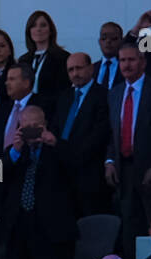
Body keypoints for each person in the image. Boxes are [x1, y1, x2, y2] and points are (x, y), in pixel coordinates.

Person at [105, 41, 151, 252]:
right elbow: (111, 132)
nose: (126, 65)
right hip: (123, 170)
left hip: (149, 169)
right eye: (122, 60)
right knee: (129, 225)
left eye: (131, 59)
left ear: (142, 62)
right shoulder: (115, 93)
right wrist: (110, 161)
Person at [0, 105, 74, 259]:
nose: (32, 133)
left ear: (45, 125)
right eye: (27, 128)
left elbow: (76, 168)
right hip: (18, 226)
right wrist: (15, 152)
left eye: (36, 127)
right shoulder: (12, 150)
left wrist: (54, 143)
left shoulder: (60, 147)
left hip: (51, 228)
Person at [53, 52, 111, 219]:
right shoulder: (64, 97)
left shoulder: (103, 95)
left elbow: (99, 135)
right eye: (70, 70)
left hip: (90, 173)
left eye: (79, 68)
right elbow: (56, 127)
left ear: (91, 68)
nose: (75, 73)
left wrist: (71, 153)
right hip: (64, 173)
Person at [19, 10, 70, 99]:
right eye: (34, 26)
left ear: (50, 30)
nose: (38, 29)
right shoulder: (24, 60)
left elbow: (64, 90)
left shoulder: (62, 58)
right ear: (29, 31)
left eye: (43, 25)